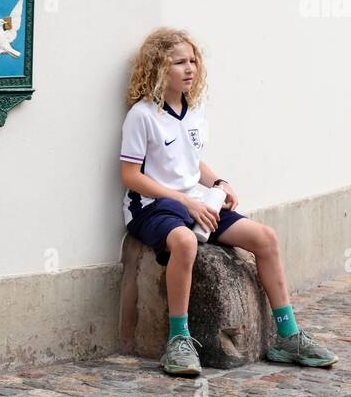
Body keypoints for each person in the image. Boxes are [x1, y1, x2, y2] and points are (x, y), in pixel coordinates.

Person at [119, 26, 339, 376]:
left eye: (193, 60)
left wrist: (217, 181)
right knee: (185, 241)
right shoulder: (142, 115)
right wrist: (185, 202)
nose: (189, 68)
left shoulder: (194, 110)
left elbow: (192, 162)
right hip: (151, 206)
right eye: (179, 62)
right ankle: (179, 340)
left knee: (265, 238)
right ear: (159, 68)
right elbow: (130, 175)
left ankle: (288, 335)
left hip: (194, 201)